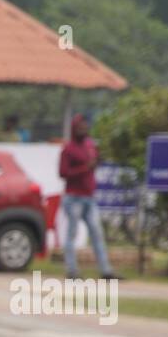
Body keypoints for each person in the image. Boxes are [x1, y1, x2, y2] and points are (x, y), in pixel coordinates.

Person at [59, 114, 119, 280]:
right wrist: (85, 168)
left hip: (89, 197)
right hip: (73, 198)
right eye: (80, 127)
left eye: (85, 127)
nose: (83, 130)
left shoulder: (90, 145)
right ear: (74, 129)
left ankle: (106, 270)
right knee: (72, 234)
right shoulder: (68, 149)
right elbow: (63, 173)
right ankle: (72, 270)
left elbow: (93, 165)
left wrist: (95, 163)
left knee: (97, 233)